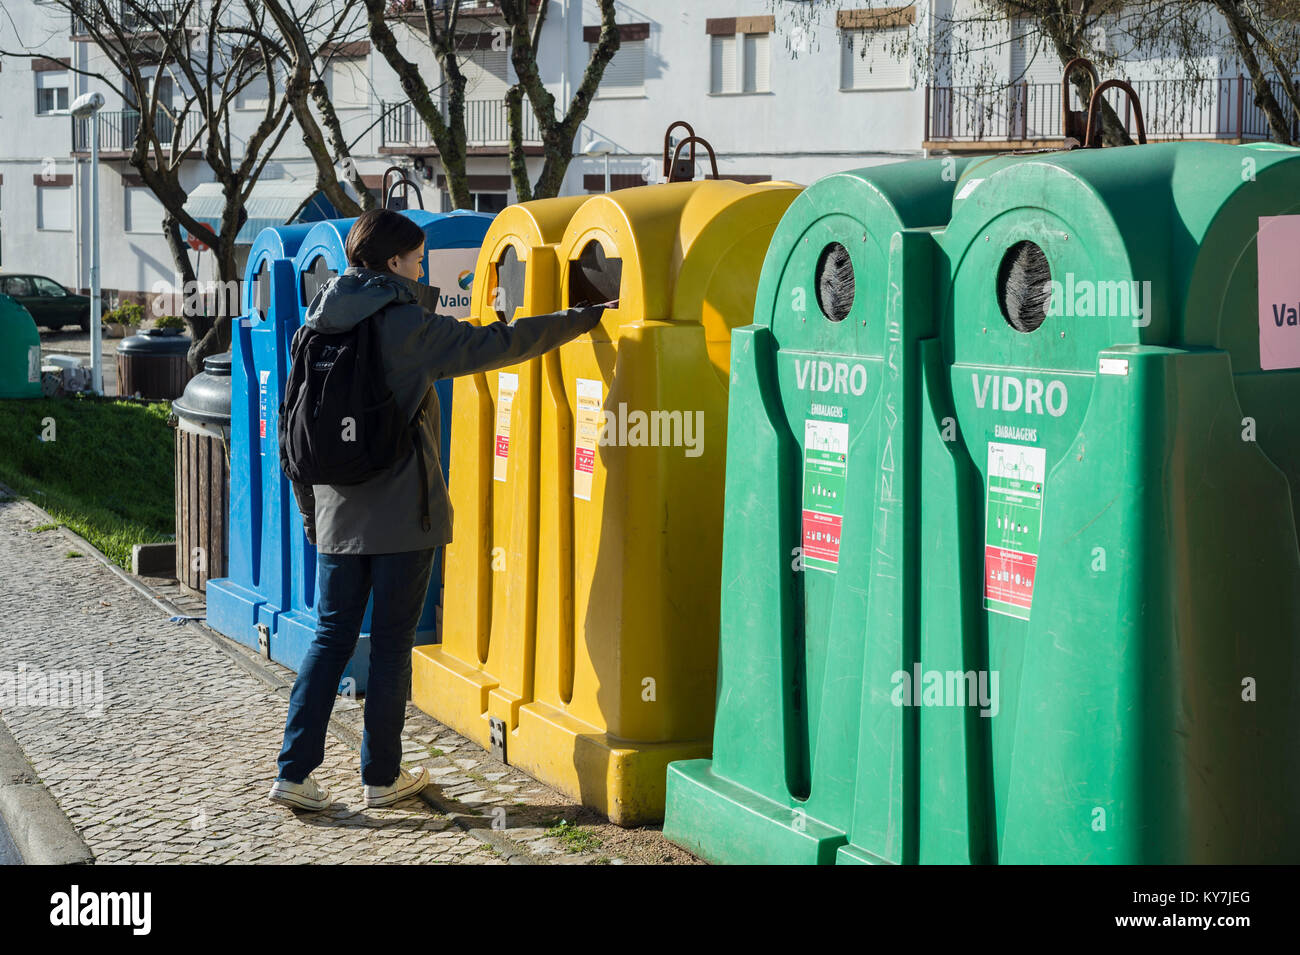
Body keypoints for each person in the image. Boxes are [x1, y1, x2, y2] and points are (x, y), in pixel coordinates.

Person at [269, 208, 608, 812]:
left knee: (330, 636)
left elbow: (292, 433)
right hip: (404, 516)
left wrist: (310, 515)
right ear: (396, 262)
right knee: (394, 643)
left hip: (335, 515)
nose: (423, 267)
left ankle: (294, 773)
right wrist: (581, 319)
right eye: (419, 259)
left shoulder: (314, 324)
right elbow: (496, 343)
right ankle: (381, 778)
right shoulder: (407, 325)